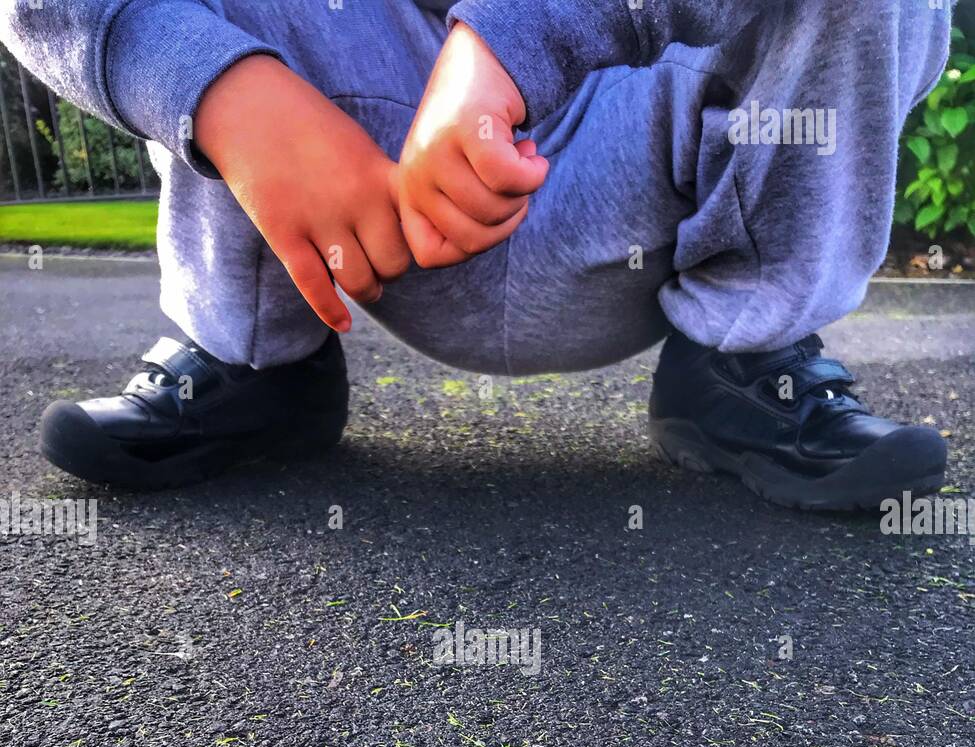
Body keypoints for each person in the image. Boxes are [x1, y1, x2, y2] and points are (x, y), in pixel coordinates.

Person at [1, 0, 953, 509]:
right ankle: (252, 359)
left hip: (641, 113)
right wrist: (226, 94)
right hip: (350, 135)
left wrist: (514, 32)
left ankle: (745, 358)